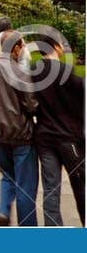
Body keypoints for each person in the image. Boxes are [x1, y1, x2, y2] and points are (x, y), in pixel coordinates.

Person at [0, 30, 39, 225]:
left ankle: (3, 210)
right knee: (25, 185)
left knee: (7, 177)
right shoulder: (20, 72)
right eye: (23, 46)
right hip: (21, 135)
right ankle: (28, 228)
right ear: (16, 48)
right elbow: (31, 105)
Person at [33, 36, 85, 227]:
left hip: (44, 136)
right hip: (68, 137)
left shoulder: (33, 72)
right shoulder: (65, 71)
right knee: (80, 185)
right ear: (55, 47)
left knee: (50, 188)